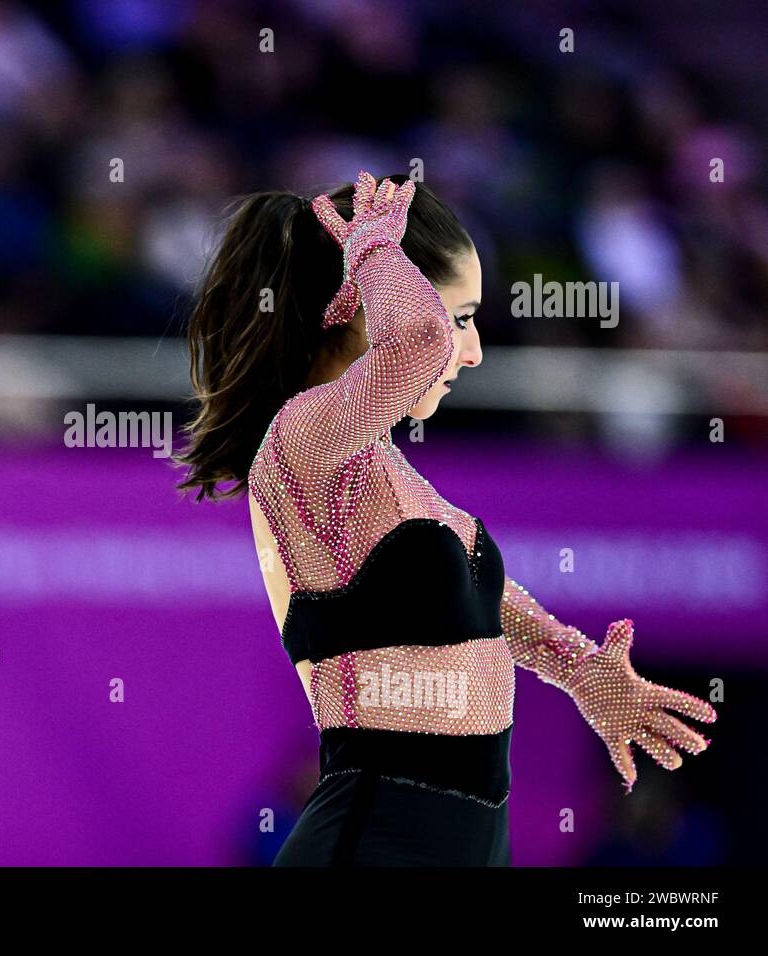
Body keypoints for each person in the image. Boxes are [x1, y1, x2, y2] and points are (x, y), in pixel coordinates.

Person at [176, 171, 717, 865]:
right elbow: (422, 342)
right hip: (372, 838)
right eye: (462, 318)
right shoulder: (300, 442)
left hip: (472, 841)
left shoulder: (386, 469)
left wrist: (581, 669)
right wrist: (373, 250)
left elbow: (477, 600)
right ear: (366, 300)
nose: (471, 350)